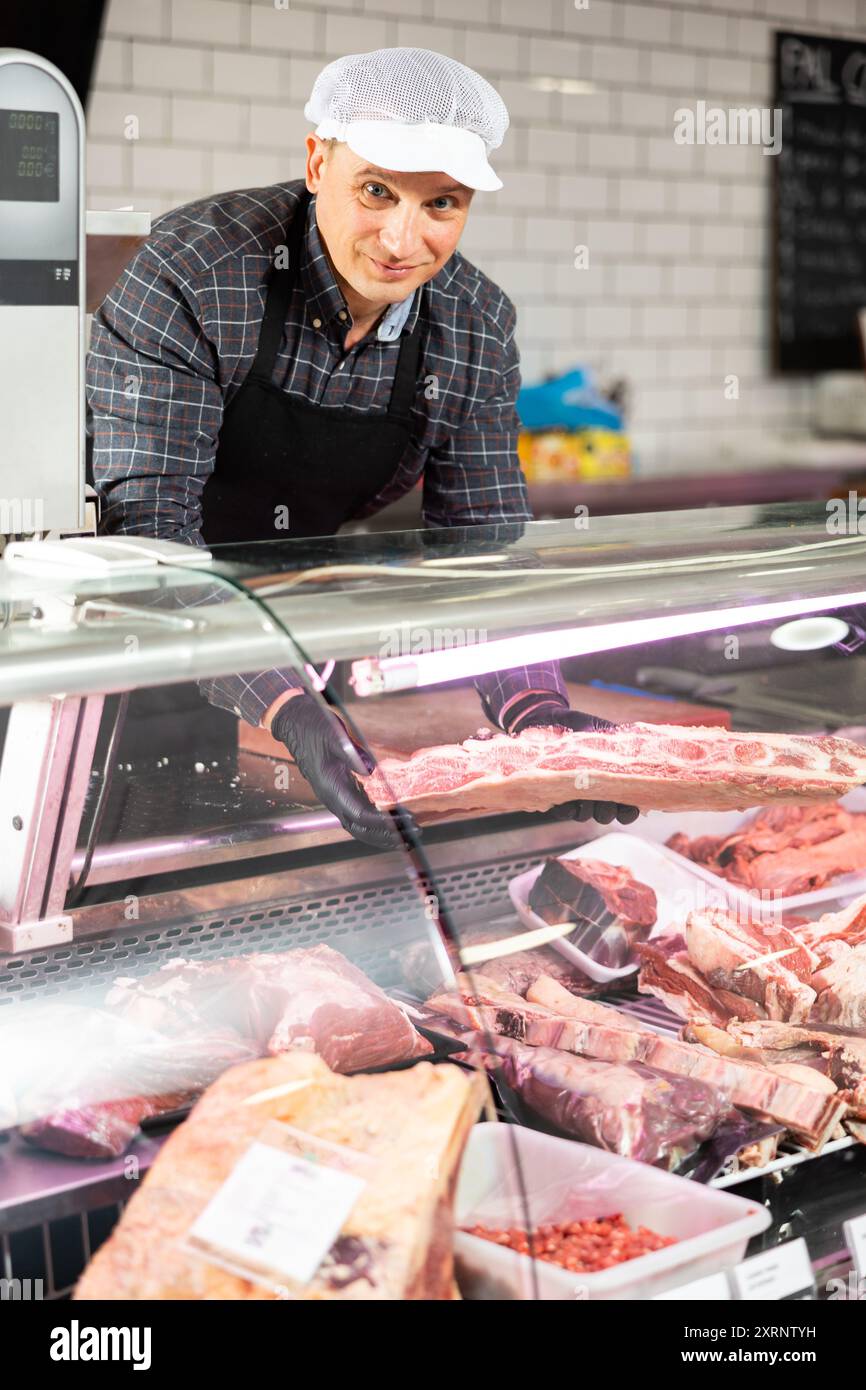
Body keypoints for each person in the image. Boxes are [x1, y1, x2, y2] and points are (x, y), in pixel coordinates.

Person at [88, 47, 638, 847]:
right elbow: (150, 538)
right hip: (105, 639)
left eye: (442, 204)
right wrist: (289, 706)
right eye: (376, 190)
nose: (401, 239)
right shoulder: (196, 272)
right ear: (318, 162)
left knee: (237, 878)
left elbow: (482, 547)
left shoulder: (475, 324)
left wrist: (534, 708)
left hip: (284, 643)